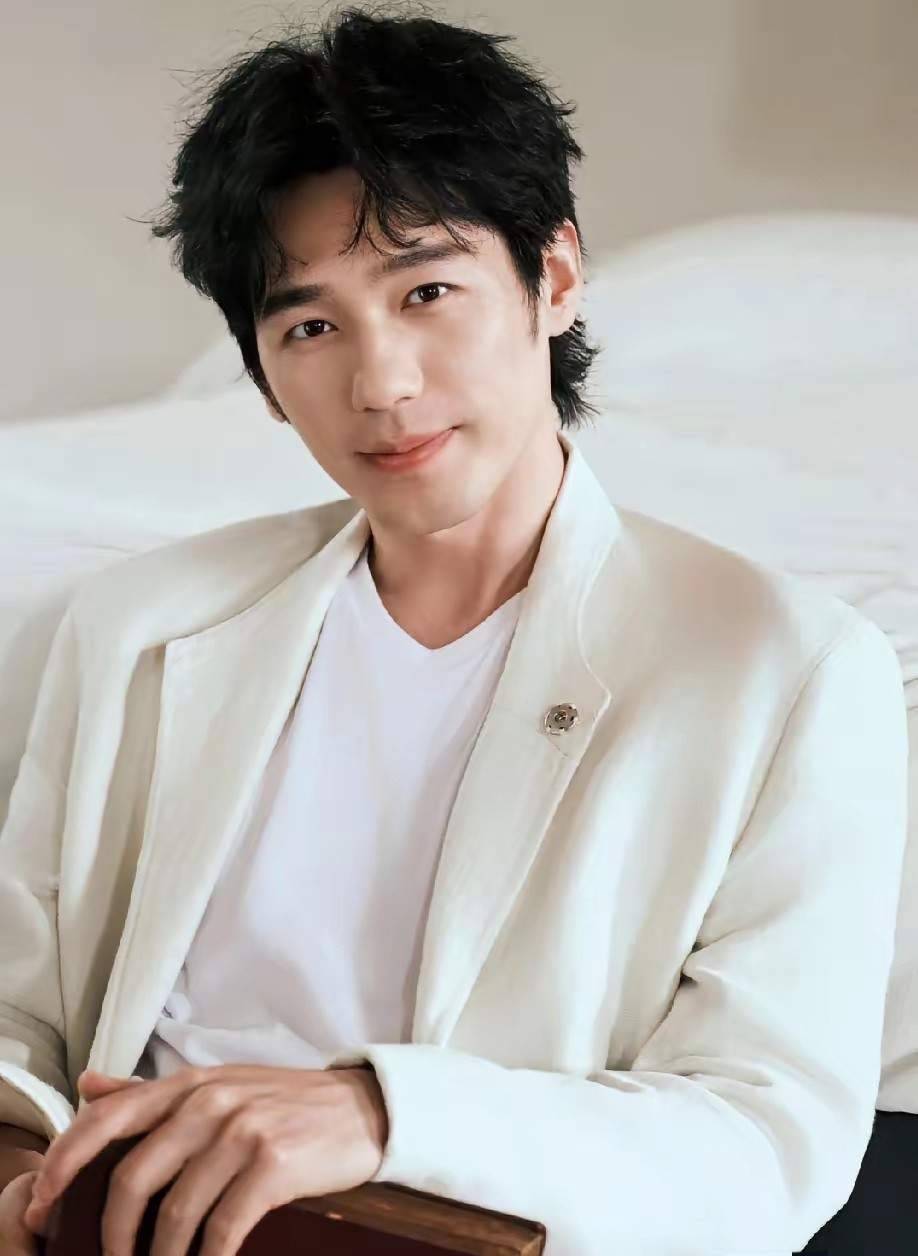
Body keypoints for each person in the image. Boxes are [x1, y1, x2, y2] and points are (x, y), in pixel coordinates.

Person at [0, 6, 909, 1254]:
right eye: (309, 326)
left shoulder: (788, 672)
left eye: (427, 291)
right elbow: (20, 1021)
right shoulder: (132, 626)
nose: (381, 383)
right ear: (261, 372)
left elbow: (765, 1147)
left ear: (555, 276)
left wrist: (385, 1113)